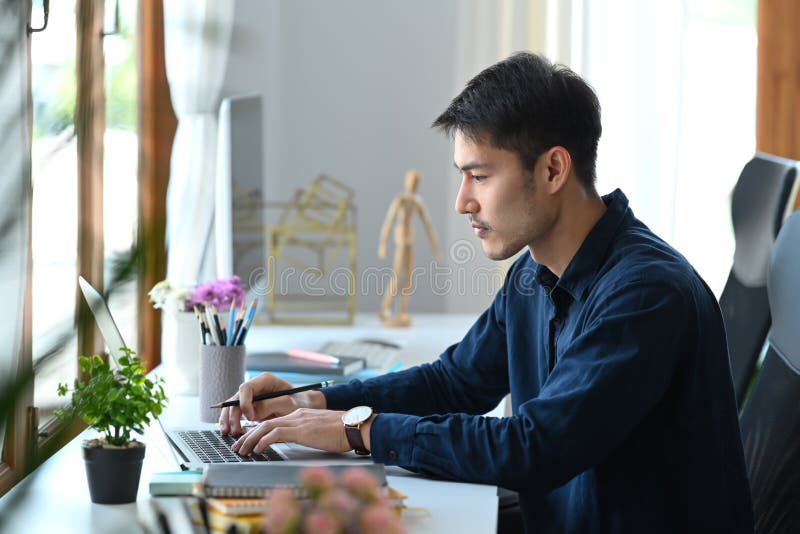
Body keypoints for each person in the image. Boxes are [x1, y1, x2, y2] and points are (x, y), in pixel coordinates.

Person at [219, 52, 754, 533]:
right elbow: (455, 383)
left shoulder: (645, 294)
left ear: (552, 169)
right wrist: (313, 401)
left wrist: (356, 430)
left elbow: (532, 447)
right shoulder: (535, 273)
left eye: (479, 176)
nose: (462, 202)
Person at [377, 169, 443, 327]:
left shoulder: (417, 202)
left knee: (409, 278)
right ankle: (385, 309)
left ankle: (401, 311)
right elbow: (388, 222)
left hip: (409, 241)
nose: (413, 185)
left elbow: (428, 225)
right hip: (400, 240)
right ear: (407, 182)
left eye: (416, 182)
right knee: (397, 275)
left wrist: (435, 249)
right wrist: (383, 244)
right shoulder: (400, 200)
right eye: (411, 181)